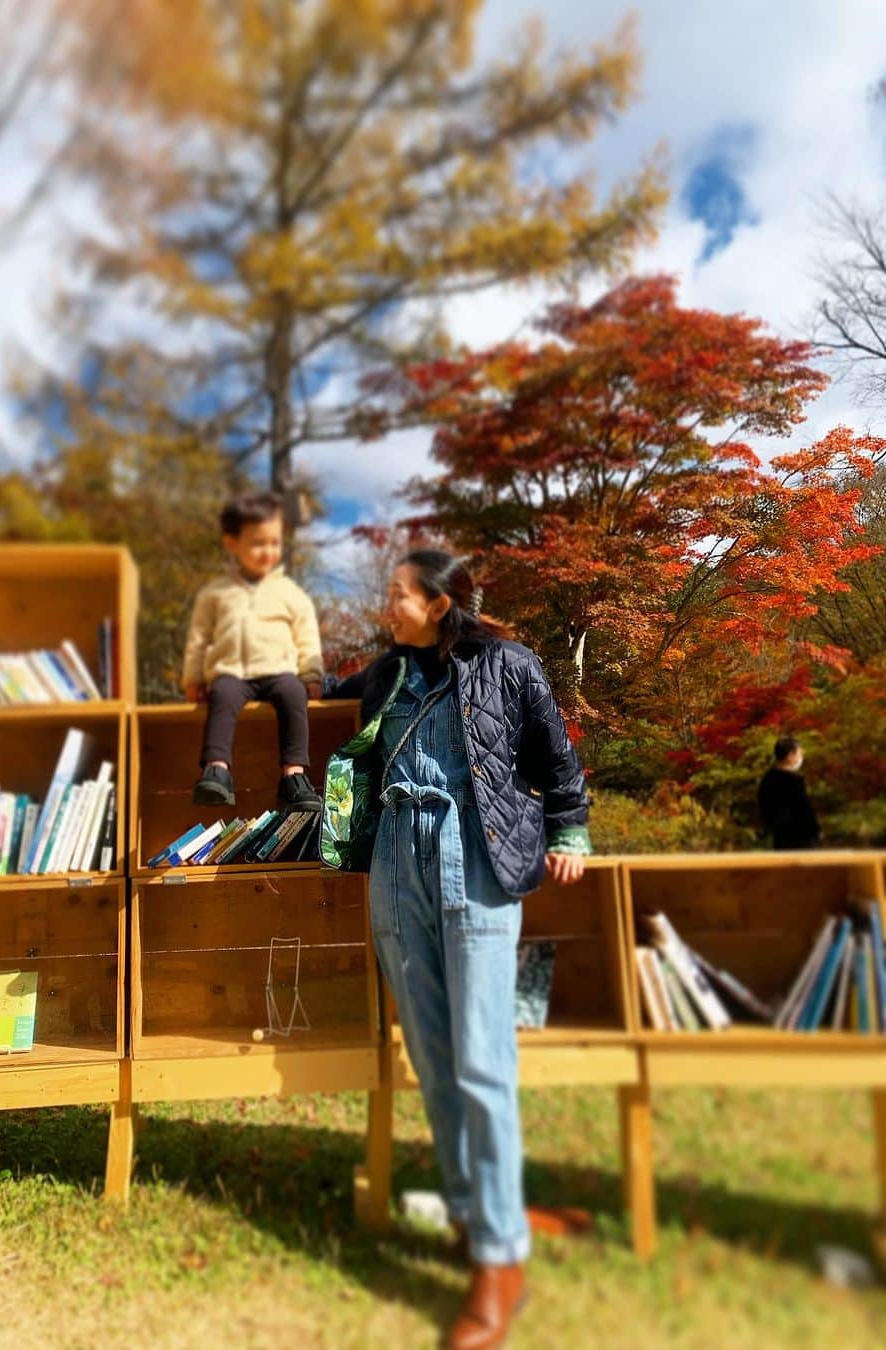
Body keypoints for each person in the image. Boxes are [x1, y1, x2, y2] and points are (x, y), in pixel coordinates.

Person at [325, 550, 591, 1350]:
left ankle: (500, 1263)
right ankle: (483, 1218)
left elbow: (556, 752)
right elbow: (331, 719)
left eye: (400, 595)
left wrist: (570, 828)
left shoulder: (506, 663)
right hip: (395, 869)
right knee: (436, 1066)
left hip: (474, 862)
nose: (389, 606)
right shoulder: (384, 677)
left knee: (482, 1063)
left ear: (441, 602)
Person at [182, 491, 324, 810]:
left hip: (279, 671)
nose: (268, 551)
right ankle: (217, 769)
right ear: (232, 543)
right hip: (233, 671)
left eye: (274, 543)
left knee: (293, 695)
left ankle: (294, 775)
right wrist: (192, 677)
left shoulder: (289, 593)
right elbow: (199, 637)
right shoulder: (216, 593)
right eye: (258, 543)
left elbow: (307, 636)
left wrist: (311, 674)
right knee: (223, 696)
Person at [757, 736, 821, 850]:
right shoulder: (794, 782)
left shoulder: (767, 779)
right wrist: (815, 831)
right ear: (790, 756)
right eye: (799, 754)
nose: (801, 758)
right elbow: (804, 811)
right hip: (800, 840)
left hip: (779, 838)